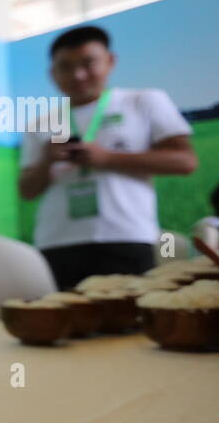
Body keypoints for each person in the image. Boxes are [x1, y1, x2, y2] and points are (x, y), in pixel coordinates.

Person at [18, 25, 198, 290]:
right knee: (71, 324)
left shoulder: (143, 101)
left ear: (110, 61)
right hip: (57, 243)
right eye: (65, 67)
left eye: (88, 63)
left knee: (133, 324)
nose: (78, 75)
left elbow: (185, 161)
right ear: (52, 73)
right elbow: (26, 190)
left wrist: (107, 158)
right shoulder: (41, 123)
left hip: (126, 237)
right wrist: (47, 160)